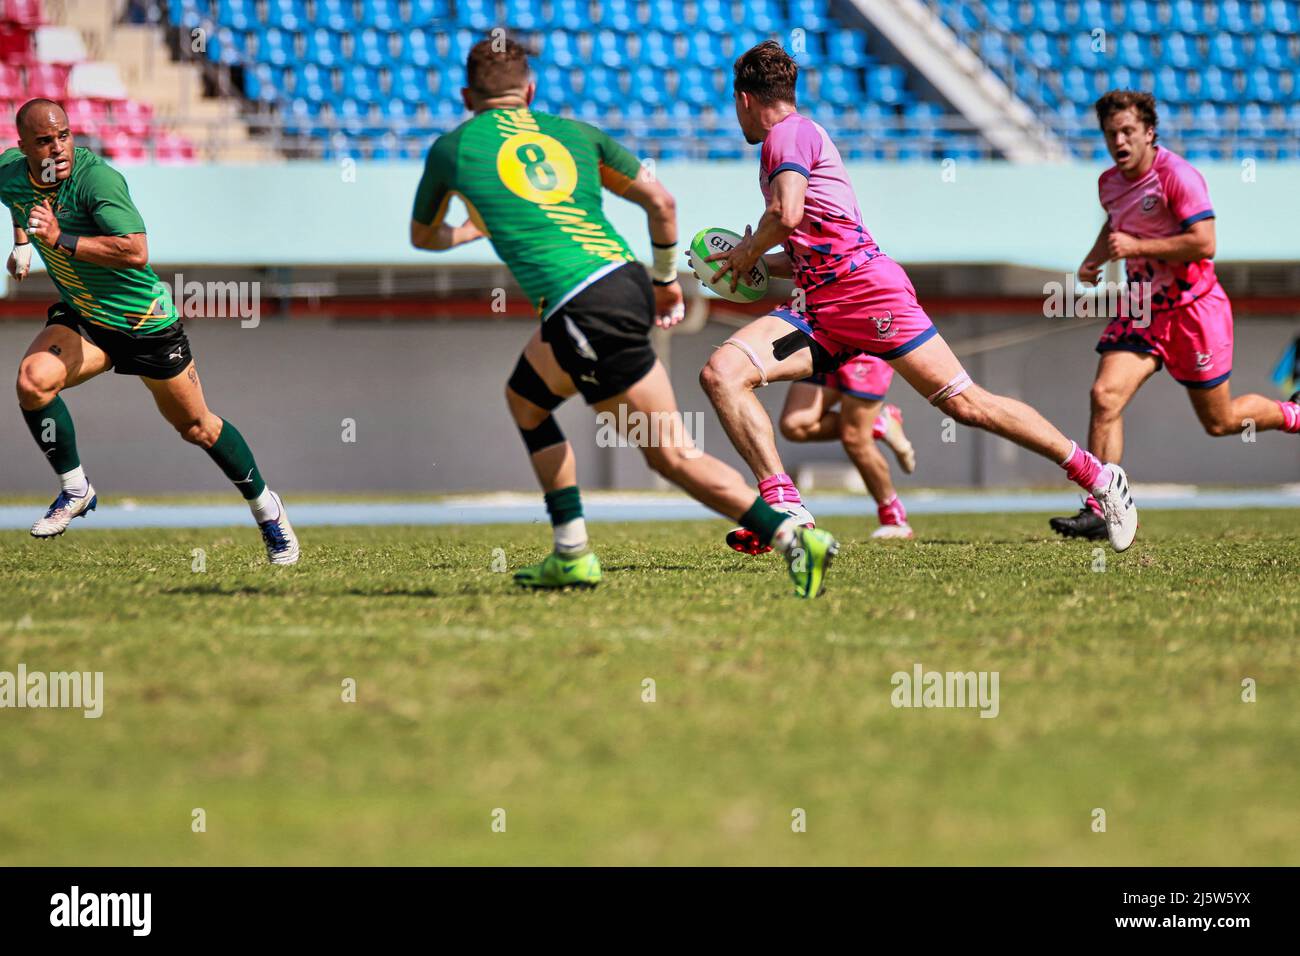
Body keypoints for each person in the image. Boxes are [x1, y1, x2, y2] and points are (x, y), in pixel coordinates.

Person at [410, 37, 838, 597]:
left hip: (579, 304)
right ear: (531, 91)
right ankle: (570, 555)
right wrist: (664, 283)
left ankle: (788, 535)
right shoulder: (575, 133)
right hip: (623, 282)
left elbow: (423, 237)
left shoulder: (452, 149)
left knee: (671, 456)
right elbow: (661, 204)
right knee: (526, 399)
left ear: (467, 95)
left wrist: (472, 227)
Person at [695, 42, 1138, 553]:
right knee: (723, 374)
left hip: (867, 294)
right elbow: (803, 242)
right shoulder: (797, 135)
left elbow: (787, 214)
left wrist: (748, 249)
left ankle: (1101, 480)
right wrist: (745, 266)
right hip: (822, 304)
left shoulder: (786, 135)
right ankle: (785, 506)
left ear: (744, 99)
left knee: (969, 405)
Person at [4, 99, 297, 563]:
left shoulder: (96, 179)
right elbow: (17, 199)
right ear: (21, 147)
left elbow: (135, 251)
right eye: (44, 141)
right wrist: (21, 243)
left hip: (145, 324)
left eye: (64, 136)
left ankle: (268, 510)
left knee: (198, 428)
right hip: (87, 320)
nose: (57, 148)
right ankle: (75, 488)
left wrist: (60, 239)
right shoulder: (11, 171)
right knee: (32, 382)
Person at [1050, 90, 1300, 540]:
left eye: (1127, 132)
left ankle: (1292, 413)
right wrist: (1093, 260)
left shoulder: (1178, 176)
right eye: (1111, 134)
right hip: (1144, 307)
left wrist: (1138, 248)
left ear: (1149, 132)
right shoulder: (1109, 183)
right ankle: (1102, 506)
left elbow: (1205, 242)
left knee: (1220, 422)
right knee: (1105, 396)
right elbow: (1114, 223)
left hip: (1194, 311)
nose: (1119, 142)